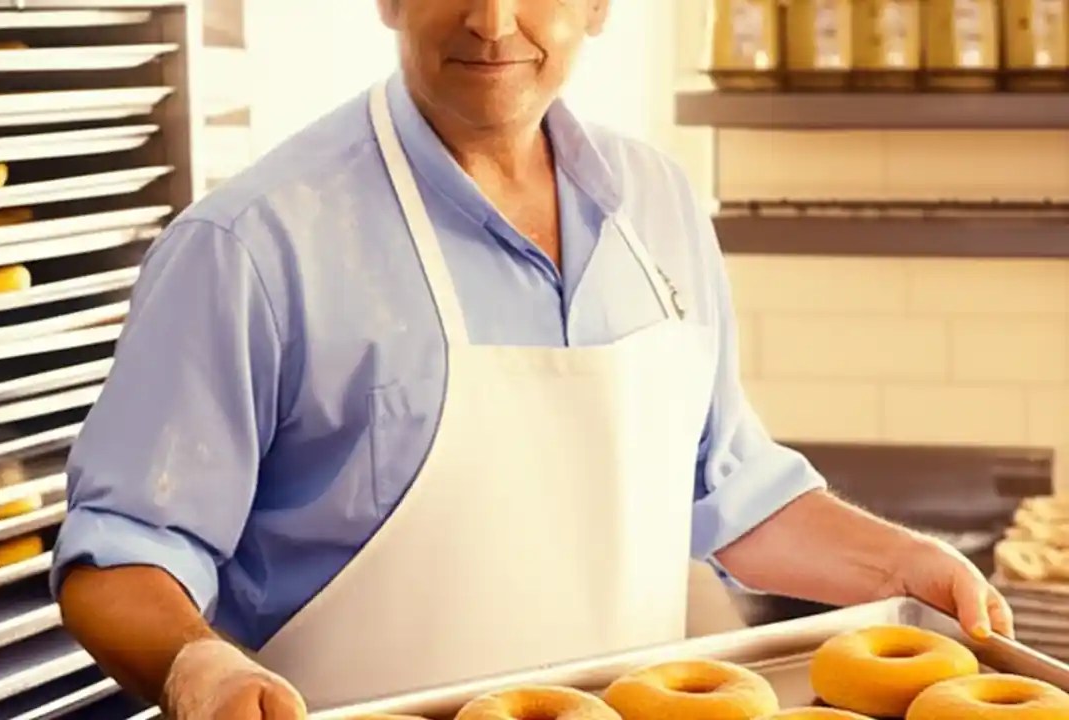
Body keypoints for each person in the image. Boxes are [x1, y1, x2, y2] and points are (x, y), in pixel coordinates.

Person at [51, 2, 1014, 718]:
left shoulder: (658, 204)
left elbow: (726, 489)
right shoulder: (253, 245)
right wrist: (195, 664)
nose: (492, 20)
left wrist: (906, 562)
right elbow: (121, 551)